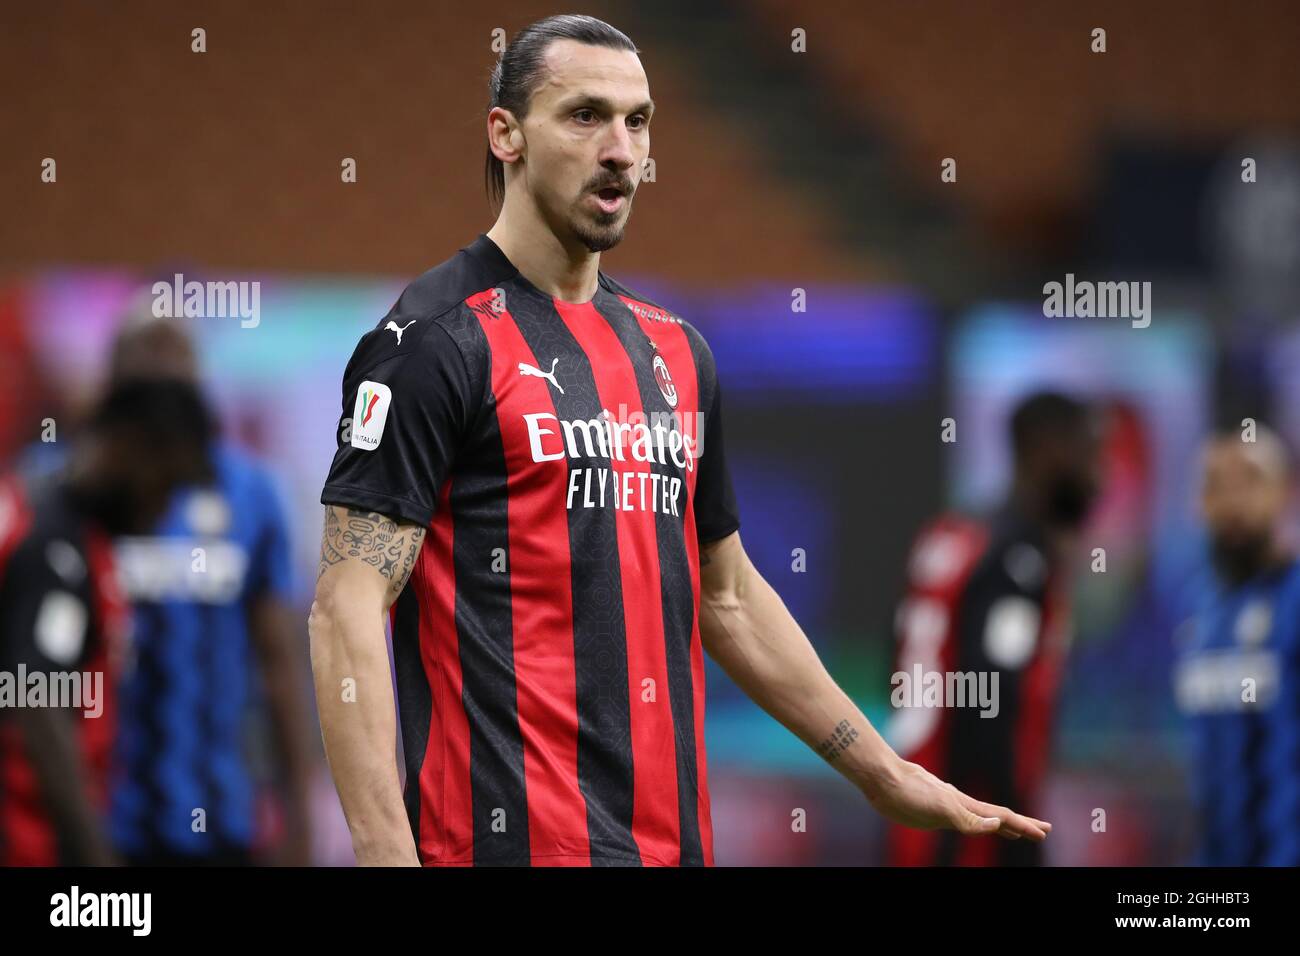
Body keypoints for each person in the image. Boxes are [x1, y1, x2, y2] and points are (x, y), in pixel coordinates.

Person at [310, 14, 1051, 867]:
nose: (621, 150)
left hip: (668, 847)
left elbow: (726, 597)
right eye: (585, 116)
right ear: (505, 134)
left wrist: (883, 773)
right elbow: (345, 607)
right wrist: (384, 850)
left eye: (638, 121)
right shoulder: (434, 342)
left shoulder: (675, 353)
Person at [101, 314, 315, 866]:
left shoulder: (251, 492)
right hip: (92, 828)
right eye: (144, 359)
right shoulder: (63, 491)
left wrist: (299, 816)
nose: (159, 373)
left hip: (219, 820)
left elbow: (278, 664)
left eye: (172, 359)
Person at [0, 379, 213, 865]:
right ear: (131, 447)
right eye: (167, 483)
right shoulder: (54, 544)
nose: (164, 509)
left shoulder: (73, 532)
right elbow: (38, 701)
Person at [886, 391, 1100, 865]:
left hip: (910, 819)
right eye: (1089, 453)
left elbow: (897, 661)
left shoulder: (951, 536)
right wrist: (1017, 838)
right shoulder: (1017, 558)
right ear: (1046, 447)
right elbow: (988, 700)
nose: (1097, 479)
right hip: (967, 835)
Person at [1175, 425, 1300, 866]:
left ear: (1284, 492)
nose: (1232, 502)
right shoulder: (1197, 610)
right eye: (1215, 485)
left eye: (1250, 480)